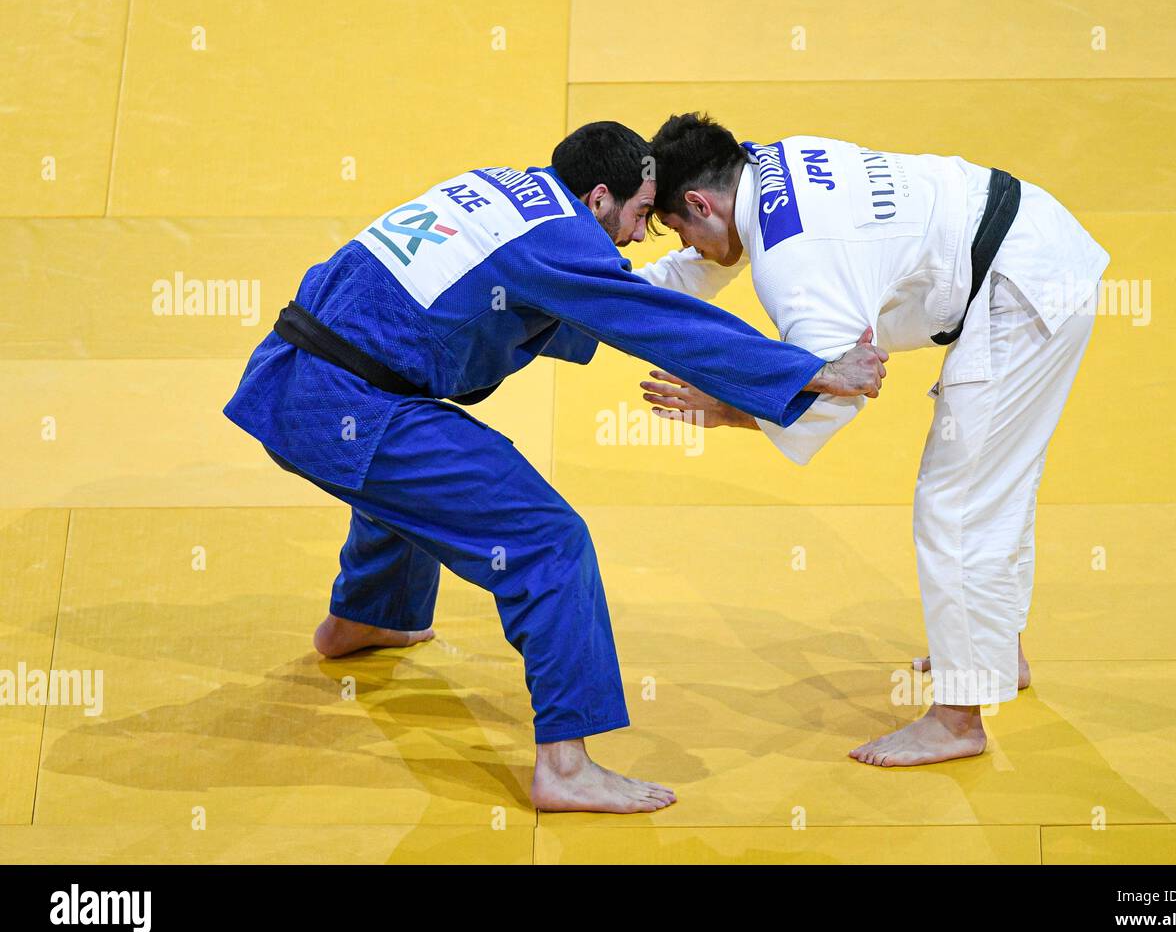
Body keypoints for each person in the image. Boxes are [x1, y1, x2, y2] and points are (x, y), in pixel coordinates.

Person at [223, 121, 888, 812]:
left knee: (417, 473)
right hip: (346, 402)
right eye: (636, 216)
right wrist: (810, 370)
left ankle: (368, 616)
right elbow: (646, 318)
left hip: (294, 377)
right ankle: (565, 767)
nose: (636, 236)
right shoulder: (557, 240)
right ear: (600, 197)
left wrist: (706, 280)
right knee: (546, 538)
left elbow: (583, 303)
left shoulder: (504, 193)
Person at [637, 113, 1108, 766]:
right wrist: (597, 290)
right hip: (1028, 246)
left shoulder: (792, 268)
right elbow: (702, 263)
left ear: (698, 202)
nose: (684, 243)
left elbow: (839, 395)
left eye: (678, 227)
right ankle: (997, 653)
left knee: (958, 502)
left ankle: (957, 720)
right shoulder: (769, 165)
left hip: (1019, 295)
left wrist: (727, 410)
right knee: (995, 484)